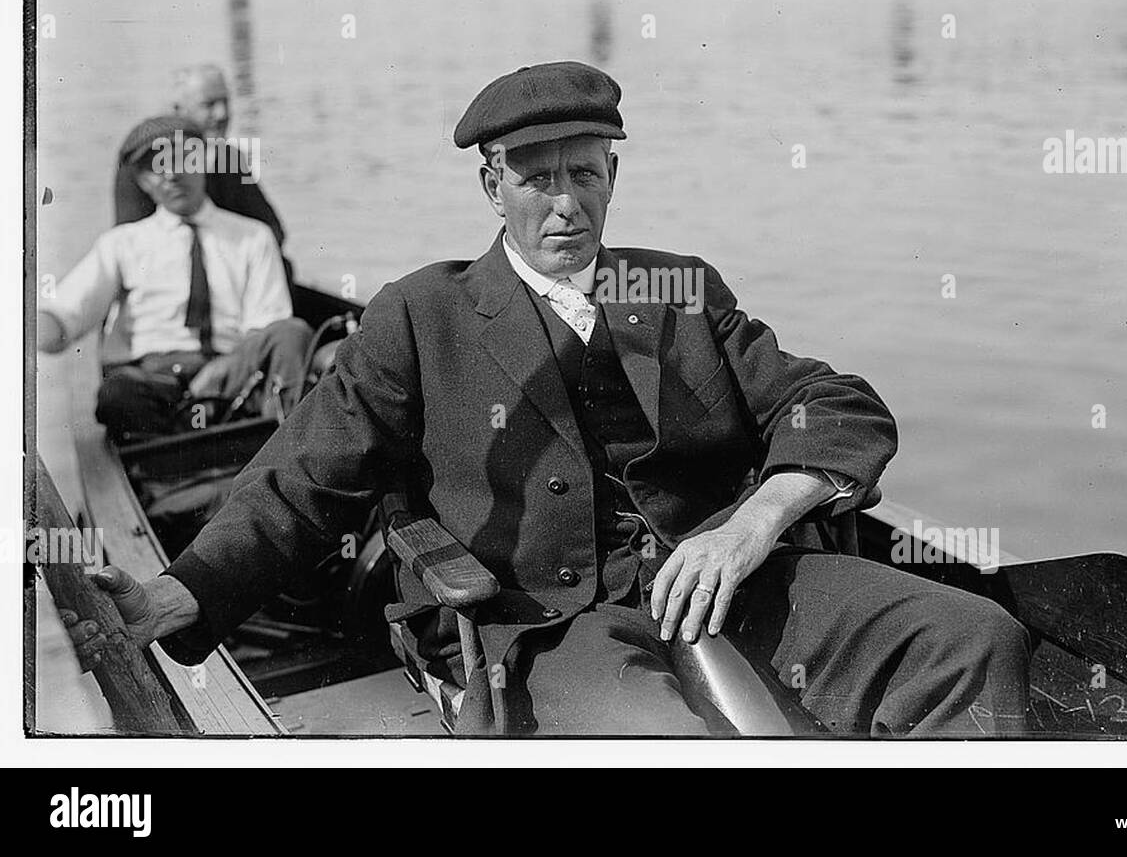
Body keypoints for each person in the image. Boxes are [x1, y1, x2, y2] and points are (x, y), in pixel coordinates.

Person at [69, 62, 1030, 736]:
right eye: (536, 180)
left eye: (584, 174)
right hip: (553, 623)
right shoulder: (423, 315)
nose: (564, 204)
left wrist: (754, 523)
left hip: (730, 580)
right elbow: (303, 482)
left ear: (614, 175)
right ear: (493, 187)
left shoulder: (678, 288)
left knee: (975, 638)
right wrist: (177, 592)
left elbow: (835, 404)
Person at [38, 115, 312, 442]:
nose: (172, 173)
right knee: (118, 396)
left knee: (292, 333)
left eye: (183, 157)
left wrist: (224, 368)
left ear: (206, 159)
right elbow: (64, 315)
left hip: (234, 381)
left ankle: (282, 449)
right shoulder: (121, 244)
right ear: (141, 181)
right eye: (155, 166)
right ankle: (167, 472)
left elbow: (270, 327)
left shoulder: (253, 237)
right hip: (154, 384)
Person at [113, 64, 287, 250]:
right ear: (178, 110)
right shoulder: (142, 164)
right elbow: (128, 246)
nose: (222, 114)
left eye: (225, 102)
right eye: (208, 105)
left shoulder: (228, 158)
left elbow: (273, 230)